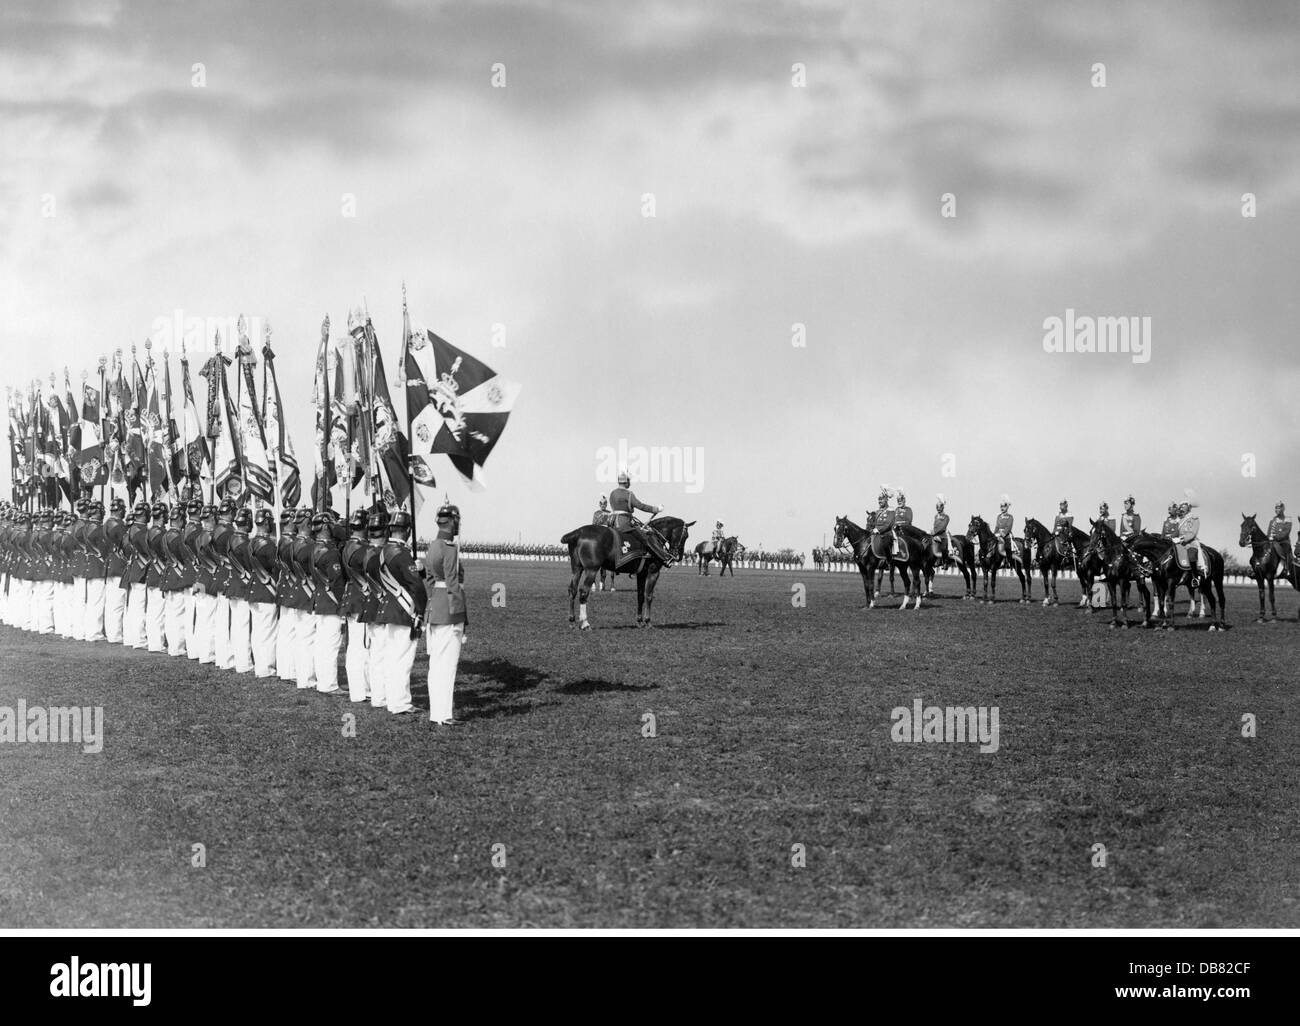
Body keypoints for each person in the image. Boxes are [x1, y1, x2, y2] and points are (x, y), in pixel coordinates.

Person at [374, 509, 424, 716]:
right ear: (408, 531)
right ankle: (400, 702)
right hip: (404, 611)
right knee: (402, 658)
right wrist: (421, 610)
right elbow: (416, 587)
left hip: (389, 608)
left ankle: (388, 698)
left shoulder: (384, 551)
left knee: (391, 656)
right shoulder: (402, 554)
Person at [424, 501, 468, 726]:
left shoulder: (433, 546)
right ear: (451, 522)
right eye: (457, 520)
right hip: (449, 611)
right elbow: (453, 584)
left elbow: (430, 582)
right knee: (447, 666)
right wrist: (462, 617)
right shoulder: (450, 549)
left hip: (434, 608)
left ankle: (436, 713)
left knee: (436, 665)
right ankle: (444, 714)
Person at [338, 509, 373, 704]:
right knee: (362, 646)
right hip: (362, 597)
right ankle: (362, 689)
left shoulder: (347, 546)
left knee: (356, 645)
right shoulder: (363, 550)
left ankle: (359, 689)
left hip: (352, 595)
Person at [310, 510, 345, 694]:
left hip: (320, 600)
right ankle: (329, 684)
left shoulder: (313, 548)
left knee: (321, 644)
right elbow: (337, 582)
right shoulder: (331, 553)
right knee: (330, 647)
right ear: (325, 525)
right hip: (331, 603)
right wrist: (342, 605)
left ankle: (322, 681)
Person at [607, 471, 671, 564]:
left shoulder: (612, 493)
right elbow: (641, 506)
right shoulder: (628, 494)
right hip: (624, 523)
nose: (630, 483)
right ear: (626, 482)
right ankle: (664, 558)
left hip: (612, 523)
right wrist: (656, 509)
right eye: (629, 481)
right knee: (645, 538)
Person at [246, 508, 280, 678]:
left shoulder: (251, 542)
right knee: (268, 630)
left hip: (254, 588)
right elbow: (276, 567)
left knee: (258, 630)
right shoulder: (269, 545)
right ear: (266, 522)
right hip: (266, 590)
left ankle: (260, 665)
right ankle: (266, 667)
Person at [1267, 501, 1293, 578]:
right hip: (1272, 541)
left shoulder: (1288, 519)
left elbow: (1286, 532)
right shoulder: (1273, 520)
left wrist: (1276, 537)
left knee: (1286, 550)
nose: (1277, 510)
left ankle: (1287, 569)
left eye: (1279, 508)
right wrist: (1269, 537)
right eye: (1276, 508)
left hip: (1283, 541)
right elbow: (1269, 531)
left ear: (1282, 509)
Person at [994, 495, 1015, 562]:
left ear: (1007, 507)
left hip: (1006, 535)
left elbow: (1008, 527)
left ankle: (1008, 560)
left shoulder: (1010, 517)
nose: (1002, 508)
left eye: (1004, 506)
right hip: (997, 535)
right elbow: (997, 526)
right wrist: (994, 534)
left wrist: (1001, 534)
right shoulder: (999, 516)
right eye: (1001, 506)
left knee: (1006, 546)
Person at [932, 494, 950, 564]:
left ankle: (945, 562)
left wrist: (934, 532)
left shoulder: (946, 517)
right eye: (937, 507)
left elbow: (943, 527)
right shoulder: (936, 516)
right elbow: (935, 526)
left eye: (939, 507)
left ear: (942, 507)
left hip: (942, 536)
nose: (938, 509)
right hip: (934, 535)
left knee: (943, 548)